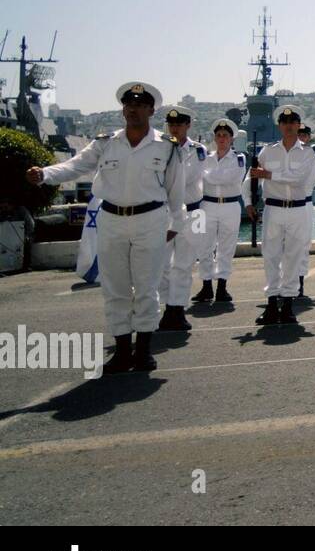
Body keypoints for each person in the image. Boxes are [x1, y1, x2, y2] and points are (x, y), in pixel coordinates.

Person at [28, 81, 184, 373]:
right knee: (116, 288)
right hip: (111, 220)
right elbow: (75, 165)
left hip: (151, 221)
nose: (132, 109)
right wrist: (44, 174)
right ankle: (123, 350)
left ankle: (144, 351)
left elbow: (177, 191)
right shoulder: (105, 142)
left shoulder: (167, 147)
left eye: (139, 104)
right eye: (128, 104)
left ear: (151, 110)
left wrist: (176, 223)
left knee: (147, 287)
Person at [243, 105, 315, 326]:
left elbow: (299, 178)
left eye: (293, 122)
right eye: (285, 122)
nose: (289, 126)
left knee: (293, 256)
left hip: (297, 209)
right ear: (279, 125)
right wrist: (248, 202)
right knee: (271, 256)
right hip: (273, 209)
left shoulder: (308, 153)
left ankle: (289, 305)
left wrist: (268, 174)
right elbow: (250, 177)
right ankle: (272, 303)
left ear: (298, 125)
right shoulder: (268, 151)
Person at [159, 105, 205, 332]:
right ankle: (168, 305)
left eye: (179, 124)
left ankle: (177, 309)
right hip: (165, 212)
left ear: (188, 125)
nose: (175, 128)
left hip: (194, 211)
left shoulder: (198, 150)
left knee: (185, 264)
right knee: (160, 264)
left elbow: (187, 178)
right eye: (172, 124)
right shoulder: (159, 149)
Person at [193, 118, 245, 305]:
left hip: (230, 206)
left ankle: (222, 287)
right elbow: (210, 178)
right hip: (207, 205)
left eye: (225, 135)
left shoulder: (239, 159)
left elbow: (231, 178)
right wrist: (213, 176)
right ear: (215, 138)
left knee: (226, 247)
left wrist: (208, 175)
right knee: (204, 246)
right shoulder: (204, 158)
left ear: (232, 139)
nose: (221, 138)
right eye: (218, 135)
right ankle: (206, 286)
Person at [294, 124, 315, 298]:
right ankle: (284, 282)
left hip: (304, 203)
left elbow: (306, 182)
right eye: (299, 134)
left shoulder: (314, 157)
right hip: (284, 204)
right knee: (282, 245)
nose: (302, 137)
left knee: (303, 244)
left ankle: (300, 283)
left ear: (308, 137)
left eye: (304, 135)